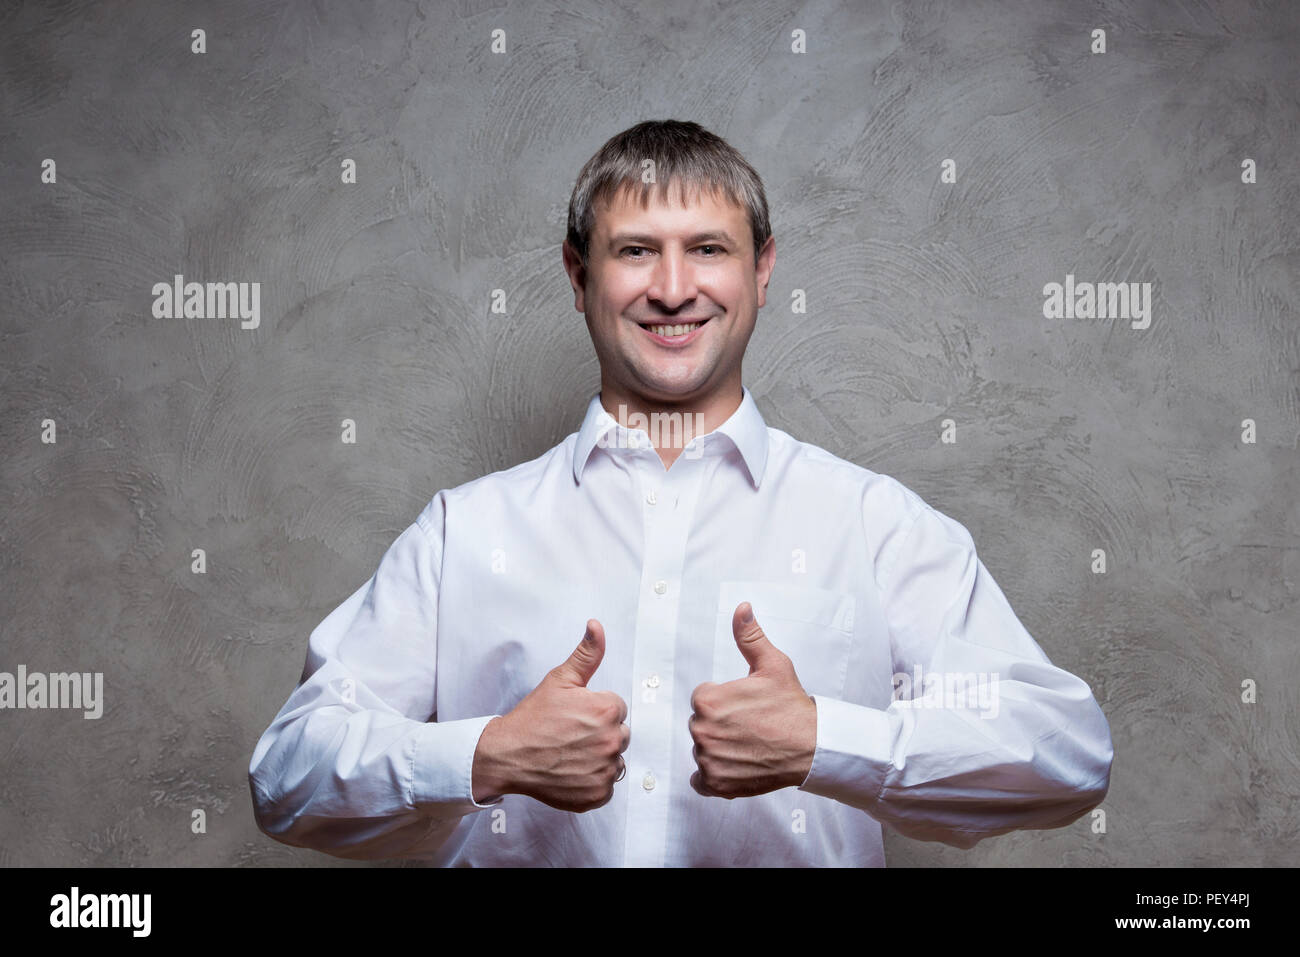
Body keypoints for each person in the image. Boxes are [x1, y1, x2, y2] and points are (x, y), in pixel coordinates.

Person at [248, 120, 1113, 866]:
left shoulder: (871, 524)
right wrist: (486, 752)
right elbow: (288, 772)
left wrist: (824, 740)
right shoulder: (464, 532)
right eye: (635, 251)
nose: (671, 288)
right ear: (579, 274)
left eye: (707, 248)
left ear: (763, 270)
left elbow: (1062, 749)